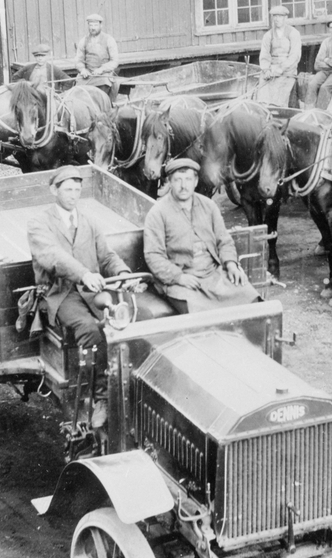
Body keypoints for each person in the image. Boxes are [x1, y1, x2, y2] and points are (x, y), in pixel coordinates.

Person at [27, 165, 132, 426]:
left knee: (125, 323)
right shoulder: (39, 223)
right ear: (54, 190)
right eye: (68, 189)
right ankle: (100, 398)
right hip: (59, 294)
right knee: (90, 330)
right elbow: (52, 256)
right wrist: (84, 273)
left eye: (78, 189)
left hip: (90, 292)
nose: (74, 195)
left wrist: (123, 272)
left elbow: (106, 256)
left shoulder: (88, 221)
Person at [144, 157, 260, 314]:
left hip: (213, 274)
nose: (184, 186)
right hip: (182, 280)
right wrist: (178, 277)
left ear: (196, 181)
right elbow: (153, 256)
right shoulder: (157, 213)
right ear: (170, 182)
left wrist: (231, 264)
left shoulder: (209, 206)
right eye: (178, 180)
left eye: (188, 179)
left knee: (251, 298)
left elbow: (224, 241)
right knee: (200, 317)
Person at [256, 5, 302, 106]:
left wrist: (281, 69)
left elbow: (294, 56)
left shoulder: (293, 33)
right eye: (274, 16)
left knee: (280, 92)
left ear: (285, 18)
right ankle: (264, 109)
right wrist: (266, 70)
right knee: (263, 89)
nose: (277, 19)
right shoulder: (268, 35)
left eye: (280, 16)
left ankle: (279, 110)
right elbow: (264, 54)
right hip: (272, 68)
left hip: (288, 70)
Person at [74, 13, 120, 100]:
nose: (93, 28)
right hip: (88, 75)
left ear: (101, 25)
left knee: (101, 93)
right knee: (78, 91)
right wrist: (83, 70)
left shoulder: (109, 40)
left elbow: (115, 61)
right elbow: (78, 60)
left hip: (103, 75)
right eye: (90, 25)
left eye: (95, 25)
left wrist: (101, 69)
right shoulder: (83, 41)